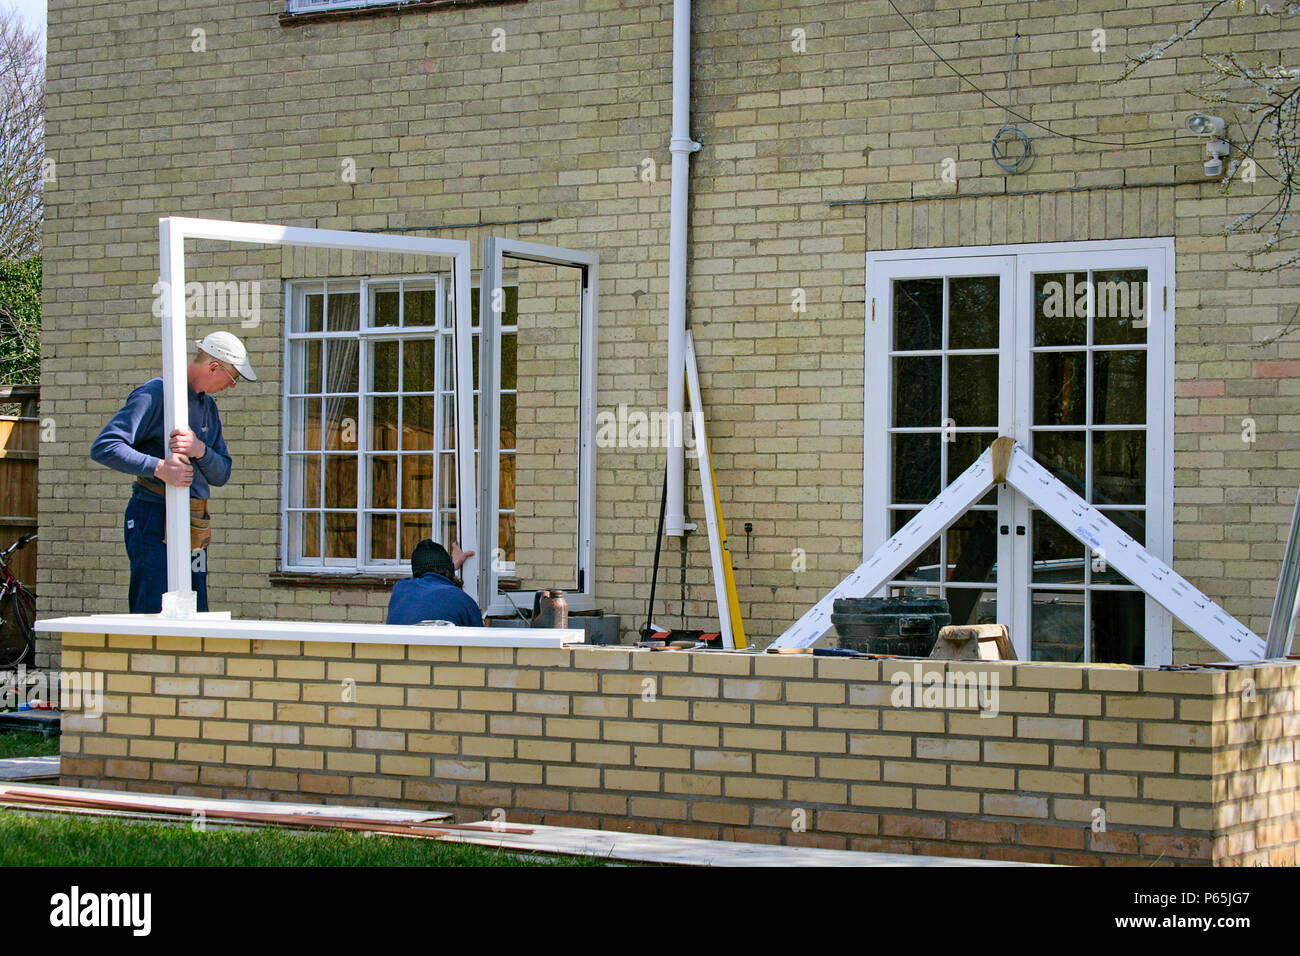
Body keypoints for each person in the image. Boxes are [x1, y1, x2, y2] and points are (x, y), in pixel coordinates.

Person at [91, 331, 256, 613]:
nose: (231, 386)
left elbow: (222, 473)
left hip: (193, 520)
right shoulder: (156, 395)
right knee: (153, 607)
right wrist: (159, 468)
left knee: (195, 607)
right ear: (214, 367)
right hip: (153, 514)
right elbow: (105, 446)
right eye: (233, 378)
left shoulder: (208, 408)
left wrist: (199, 449)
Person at [386, 539, 482, 627]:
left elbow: (431, 576)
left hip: (403, 645)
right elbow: (479, 639)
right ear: (449, 570)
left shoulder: (400, 589)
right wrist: (450, 567)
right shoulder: (461, 599)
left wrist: (450, 566)